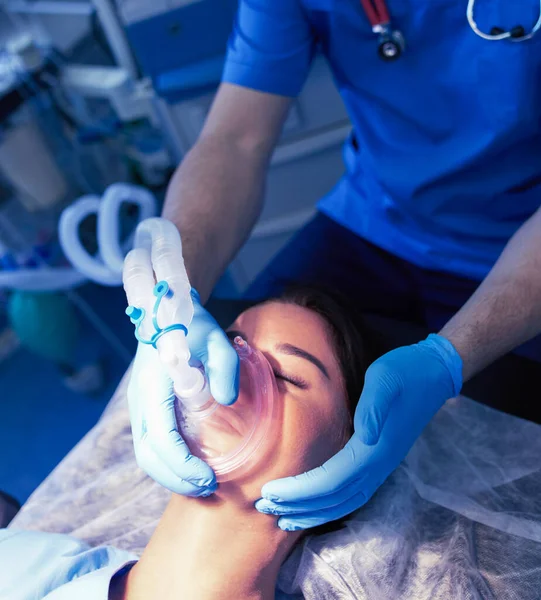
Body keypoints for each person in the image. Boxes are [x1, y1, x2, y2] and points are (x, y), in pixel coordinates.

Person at [129, 0, 541, 530]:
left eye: (286, 376)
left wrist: (450, 359)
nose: (230, 389)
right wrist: (172, 295)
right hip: (372, 218)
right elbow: (235, 140)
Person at [0, 287, 369, 599]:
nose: (234, 367)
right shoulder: (20, 563)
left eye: (281, 374)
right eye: (225, 345)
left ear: (348, 456)